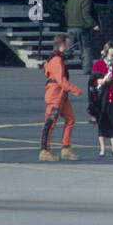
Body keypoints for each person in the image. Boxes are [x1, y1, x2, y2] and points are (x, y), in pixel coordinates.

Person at [40, 33, 83, 162]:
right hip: (56, 95)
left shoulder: (58, 58)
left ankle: (66, 148)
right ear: (63, 44)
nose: (70, 46)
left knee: (70, 119)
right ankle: (44, 150)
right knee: (50, 122)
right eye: (68, 43)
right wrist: (75, 90)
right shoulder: (57, 60)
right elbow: (61, 80)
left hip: (62, 95)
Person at [92, 41, 113, 158]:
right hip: (101, 98)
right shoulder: (99, 64)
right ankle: (102, 148)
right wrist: (99, 81)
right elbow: (94, 78)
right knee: (102, 122)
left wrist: (110, 80)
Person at [64, 0, 100, 72]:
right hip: (83, 28)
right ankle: (87, 69)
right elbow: (86, 14)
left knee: (69, 48)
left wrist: (68, 23)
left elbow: (66, 12)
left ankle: (59, 63)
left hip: (71, 26)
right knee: (86, 48)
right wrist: (94, 24)